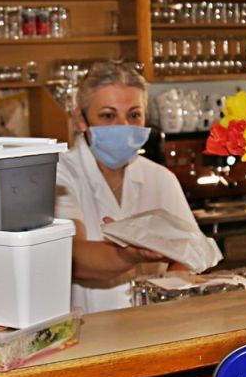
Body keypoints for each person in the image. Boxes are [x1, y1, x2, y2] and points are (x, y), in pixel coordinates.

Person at [55, 60, 197, 313]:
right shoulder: (59, 176)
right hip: (87, 333)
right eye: (108, 115)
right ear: (81, 119)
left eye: (134, 115)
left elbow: (189, 254)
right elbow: (71, 259)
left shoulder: (160, 178)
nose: (123, 125)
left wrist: (164, 293)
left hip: (153, 329)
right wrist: (131, 254)